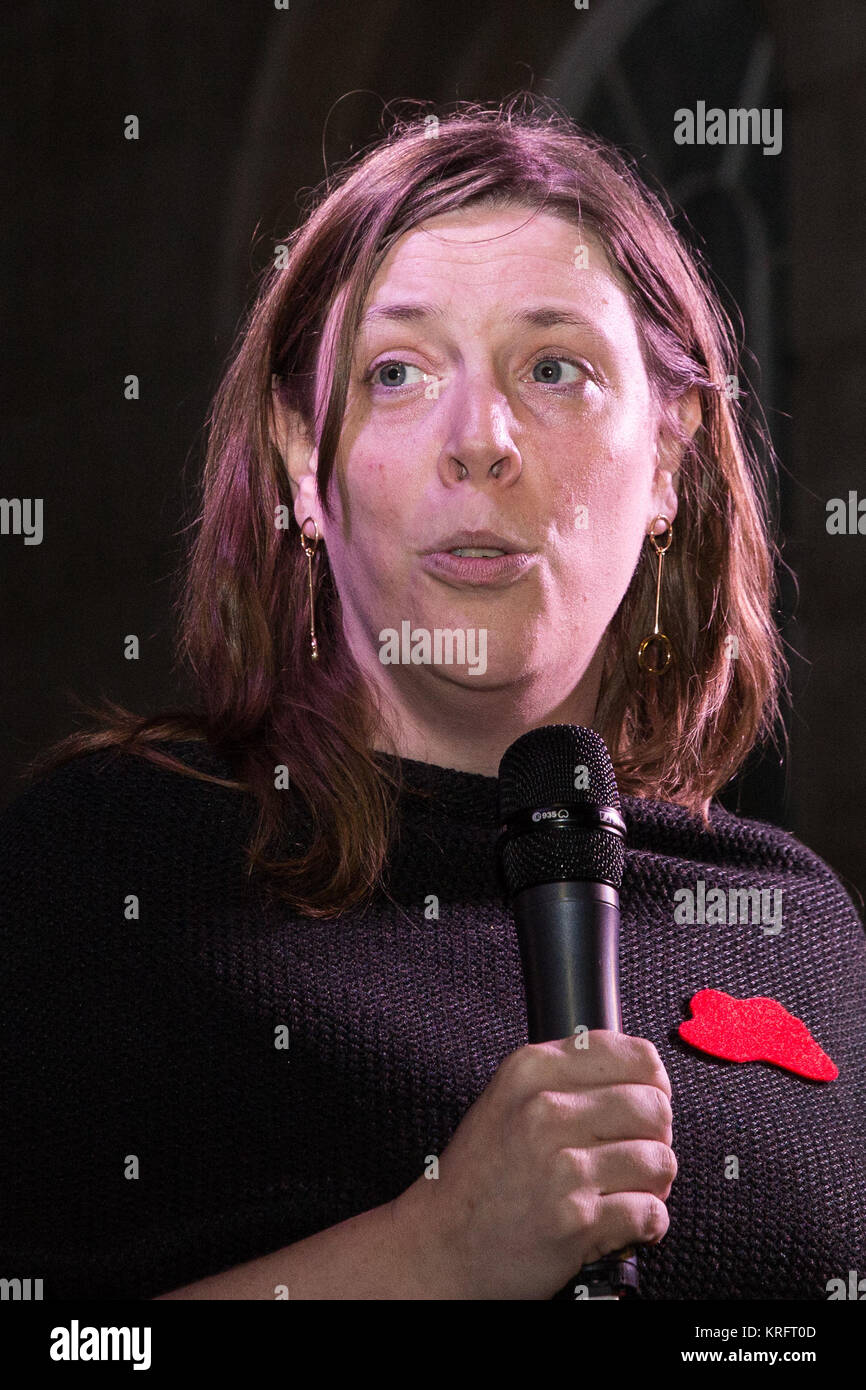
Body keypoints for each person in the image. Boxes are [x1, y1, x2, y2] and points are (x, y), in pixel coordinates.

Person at [1, 97, 864, 1302]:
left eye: (552, 367)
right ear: (305, 461)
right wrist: (436, 1254)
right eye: (397, 371)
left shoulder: (801, 929)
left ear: (666, 455)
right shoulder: (104, 867)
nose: (480, 440)